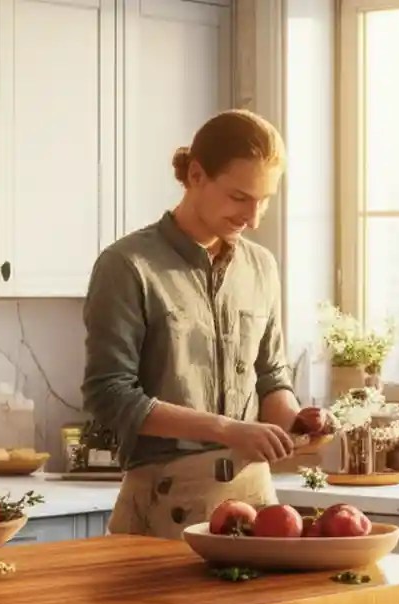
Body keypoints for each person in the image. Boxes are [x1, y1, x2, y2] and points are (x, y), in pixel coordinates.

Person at [81, 109, 331, 540]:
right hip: (164, 504)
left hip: (256, 502)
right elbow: (109, 395)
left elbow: (270, 377)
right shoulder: (128, 265)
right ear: (195, 175)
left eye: (265, 200)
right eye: (239, 197)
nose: (254, 218)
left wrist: (296, 424)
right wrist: (228, 430)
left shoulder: (261, 267)